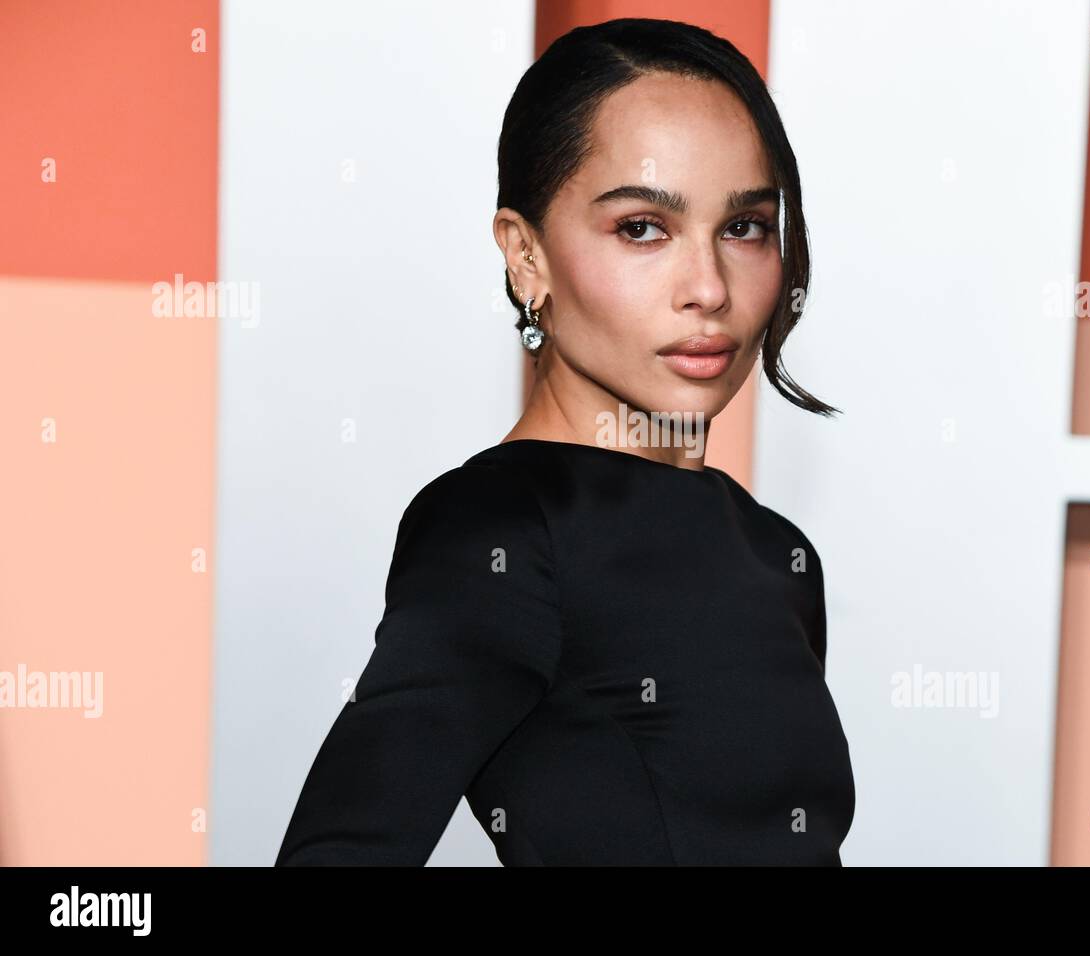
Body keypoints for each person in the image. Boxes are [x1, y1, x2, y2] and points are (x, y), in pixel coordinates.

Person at [275, 17, 854, 866]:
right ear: (526, 255)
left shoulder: (778, 554)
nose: (708, 289)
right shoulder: (502, 531)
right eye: (642, 229)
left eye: (745, 228)